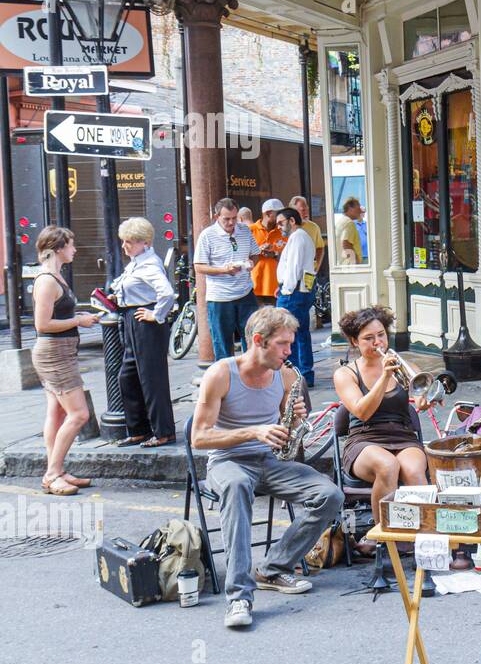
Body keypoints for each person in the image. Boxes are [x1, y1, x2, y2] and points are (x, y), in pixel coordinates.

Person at [191, 306, 344, 629]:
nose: (290, 352)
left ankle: (274, 567)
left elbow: (287, 431)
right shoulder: (221, 373)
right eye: (283, 345)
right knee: (236, 486)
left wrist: (297, 418)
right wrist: (254, 432)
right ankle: (239, 597)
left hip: (269, 461)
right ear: (259, 341)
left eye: (290, 344)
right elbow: (199, 437)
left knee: (330, 495)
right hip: (227, 461)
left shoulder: (286, 375)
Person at [334, 306, 436, 550]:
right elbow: (361, 411)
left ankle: (426, 536)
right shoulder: (345, 374)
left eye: (380, 335)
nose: (377, 342)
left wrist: (426, 400)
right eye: (368, 338)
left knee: (412, 470)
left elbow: (418, 400)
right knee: (388, 466)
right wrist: (383, 378)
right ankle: (382, 537)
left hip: (402, 434)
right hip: (364, 438)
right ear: (353, 341)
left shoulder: (403, 365)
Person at [30, 227, 97, 495]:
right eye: (71, 244)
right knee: (79, 414)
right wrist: (79, 320)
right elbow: (42, 323)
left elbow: (57, 314)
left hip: (61, 352)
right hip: (54, 355)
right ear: (58, 248)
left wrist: (75, 315)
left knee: (56, 412)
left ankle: (56, 470)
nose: (75, 249)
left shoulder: (56, 277)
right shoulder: (47, 280)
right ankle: (52, 473)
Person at [112, 217, 176, 448]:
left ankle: (163, 432)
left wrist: (155, 315)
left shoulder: (148, 264)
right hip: (133, 320)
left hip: (145, 323)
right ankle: (140, 429)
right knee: (128, 377)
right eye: (124, 241)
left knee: (152, 380)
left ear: (144, 242)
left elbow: (167, 293)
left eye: (129, 241)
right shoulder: (138, 261)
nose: (124, 246)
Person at [193, 197, 259, 361]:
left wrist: (251, 262)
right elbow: (199, 266)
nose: (231, 223)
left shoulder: (244, 230)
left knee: (252, 337)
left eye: (234, 218)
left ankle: (251, 376)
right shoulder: (207, 236)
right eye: (227, 219)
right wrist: (224, 270)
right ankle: (227, 381)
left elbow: (255, 254)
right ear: (217, 217)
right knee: (222, 343)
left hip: (245, 293)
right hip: (220, 298)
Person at [275, 207, 316, 388]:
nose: (279, 227)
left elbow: (294, 267)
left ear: (292, 221)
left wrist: (286, 289)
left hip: (294, 291)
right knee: (301, 333)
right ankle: (304, 374)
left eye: (281, 222)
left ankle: (294, 374)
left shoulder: (298, 237)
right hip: (299, 289)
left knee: (287, 333)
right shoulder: (300, 236)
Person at [250, 199, 287, 306]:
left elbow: (289, 257)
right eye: (278, 213)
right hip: (254, 286)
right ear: (268, 213)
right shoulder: (250, 230)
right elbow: (240, 255)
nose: (282, 216)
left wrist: (274, 254)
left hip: (276, 287)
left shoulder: (283, 231)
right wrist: (258, 250)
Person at [290, 196, 326, 276]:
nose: (306, 212)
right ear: (294, 212)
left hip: (308, 272)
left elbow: (320, 248)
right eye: (303, 210)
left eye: (307, 209)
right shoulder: (287, 227)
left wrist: (316, 268)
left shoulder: (314, 227)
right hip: (291, 271)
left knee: (308, 288)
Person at [335, 197, 363, 265]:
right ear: (350, 208)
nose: (360, 211)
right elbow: (346, 243)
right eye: (358, 208)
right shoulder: (349, 223)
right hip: (349, 266)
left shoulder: (341, 221)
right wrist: (355, 264)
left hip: (342, 264)